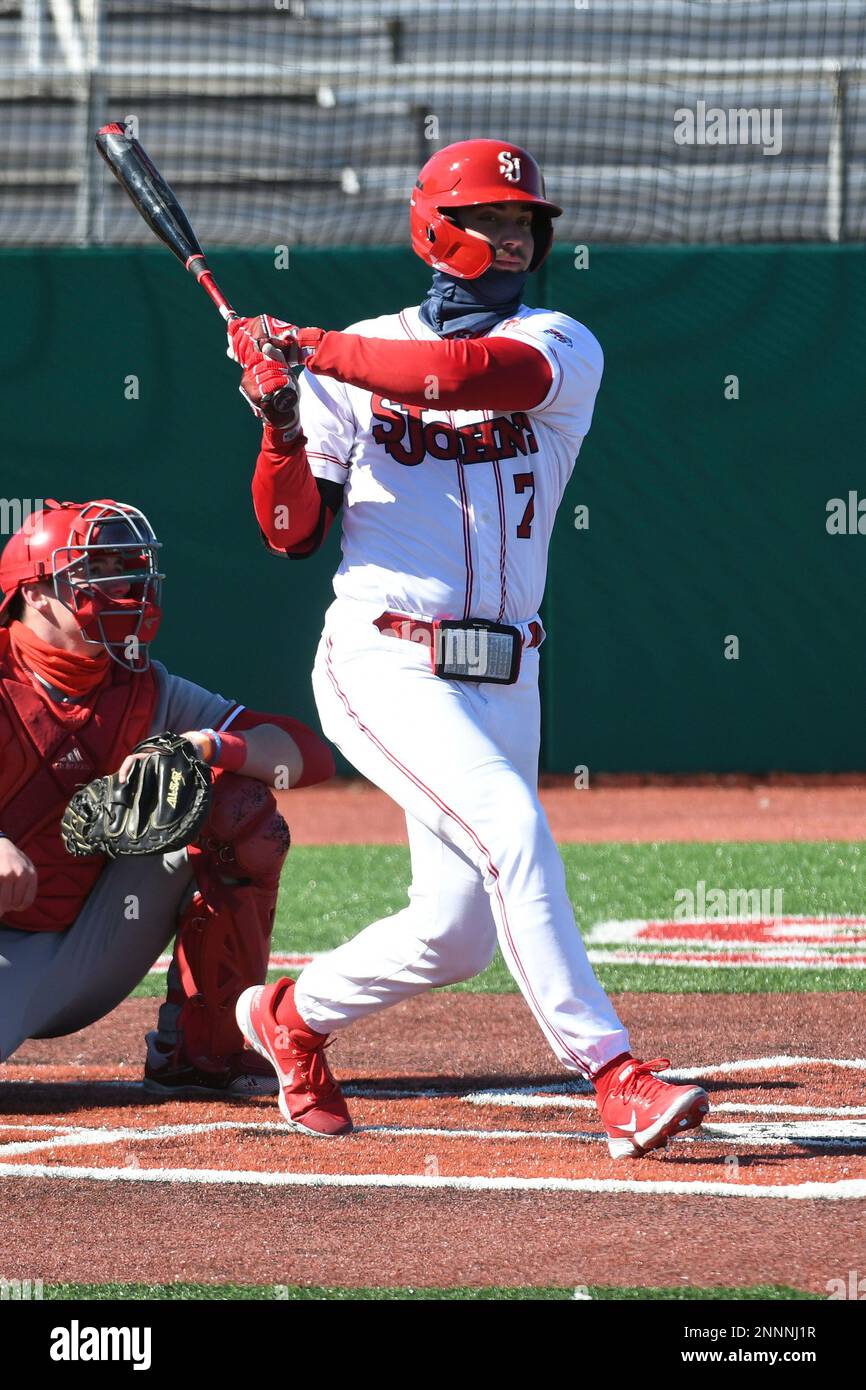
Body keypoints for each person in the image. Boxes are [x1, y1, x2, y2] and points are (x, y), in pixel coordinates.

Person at [226, 139, 710, 1157]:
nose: (512, 237)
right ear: (437, 229)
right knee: (513, 828)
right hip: (381, 657)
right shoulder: (350, 357)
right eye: (491, 220)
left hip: (507, 669)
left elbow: (453, 375)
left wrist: (303, 345)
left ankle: (289, 1016)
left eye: (523, 222)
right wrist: (278, 422)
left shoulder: (559, 342)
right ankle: (613, 1074)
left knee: (453, 933)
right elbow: (290, 531)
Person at [0, 497, 334, 1094]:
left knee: (239, 810)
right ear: (35, 592)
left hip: (89, 944)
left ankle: (203, 1050)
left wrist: (209, 746)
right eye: (96, 572)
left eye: (127, 570)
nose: (124, 589)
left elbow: (305, 753)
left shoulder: (144, 688)